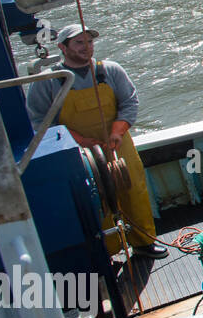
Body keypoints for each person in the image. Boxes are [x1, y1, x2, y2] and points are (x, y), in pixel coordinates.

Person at [26, 24, 166, 258]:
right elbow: (39, 121)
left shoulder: (111, 70)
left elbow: (129, 103)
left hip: (117, 144)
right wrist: (80, 140)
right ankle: (106, 253)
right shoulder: (47, 81)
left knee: (134, 190)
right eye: (79, 43)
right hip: (77, 154)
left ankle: (143, 243)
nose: (86, 47)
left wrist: (117, 131)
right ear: (62, 47)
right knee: (94, 200)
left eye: (89, 42)